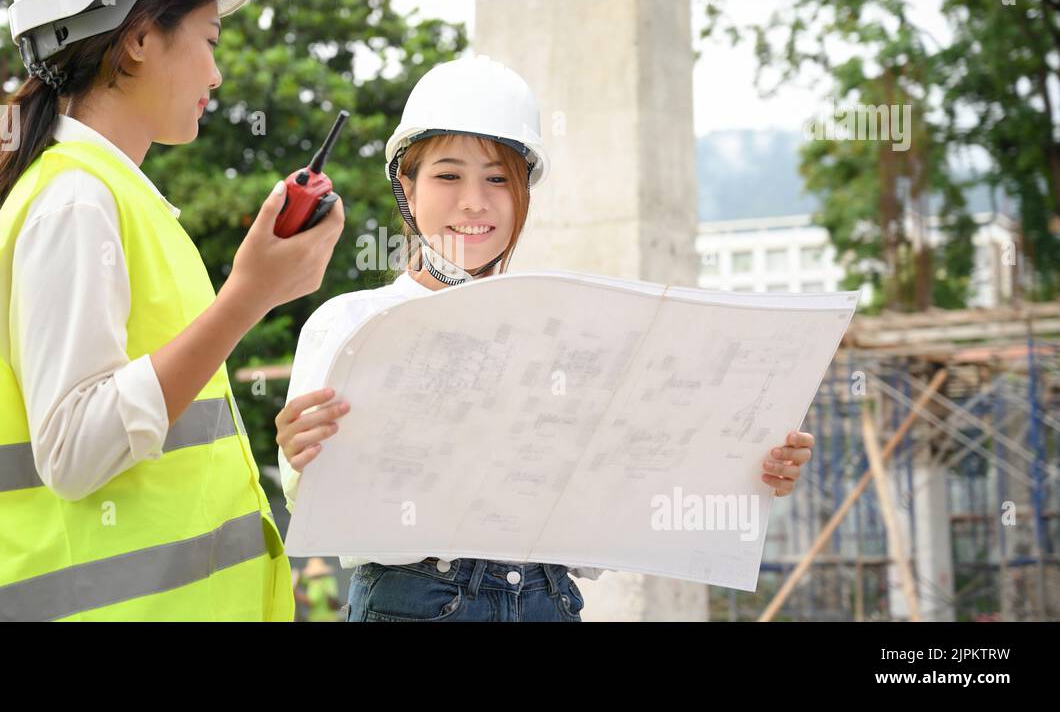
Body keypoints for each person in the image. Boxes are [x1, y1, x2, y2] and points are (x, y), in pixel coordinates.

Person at [275, 56, 815, 621]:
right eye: (448, 174)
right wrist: (300, 454)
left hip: (549, 599)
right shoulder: (354, 324)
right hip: (415, 600)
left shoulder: (570, 337)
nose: (474, 202)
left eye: (498, 178)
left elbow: (619, 502)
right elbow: (312, 502)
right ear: (405, 186)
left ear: (525, 192)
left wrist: (746, 469)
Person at [0, 0, 342, 621]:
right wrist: (246, 298)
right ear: (136, 41)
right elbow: (73, 449)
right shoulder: (76, 202)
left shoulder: (105, 198)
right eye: (209, 39)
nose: (217, 74)